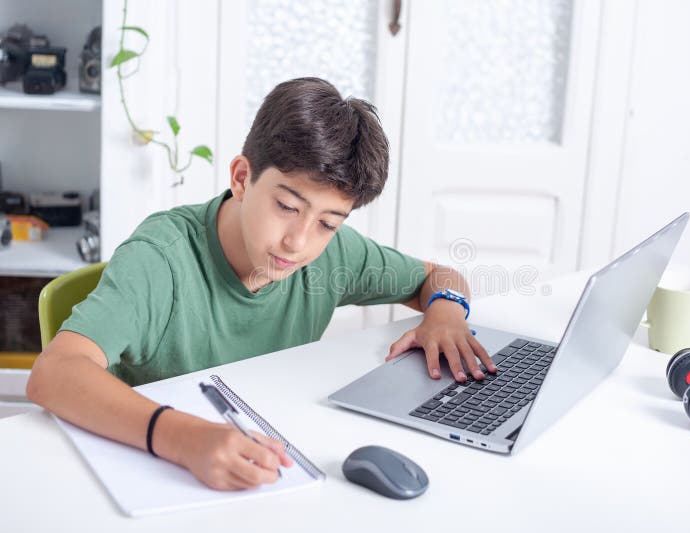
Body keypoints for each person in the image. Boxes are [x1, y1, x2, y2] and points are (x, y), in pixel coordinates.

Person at [27, 77, 496, 491]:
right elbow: (54, 373)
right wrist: (181, 438)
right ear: (242, 177)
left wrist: (447, 313)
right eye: (288, 207)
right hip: (153, 467)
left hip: (266, 459)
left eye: (328, 222)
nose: (299, 241)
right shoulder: (160, 260)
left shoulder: (333, 253)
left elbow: (439, 275)